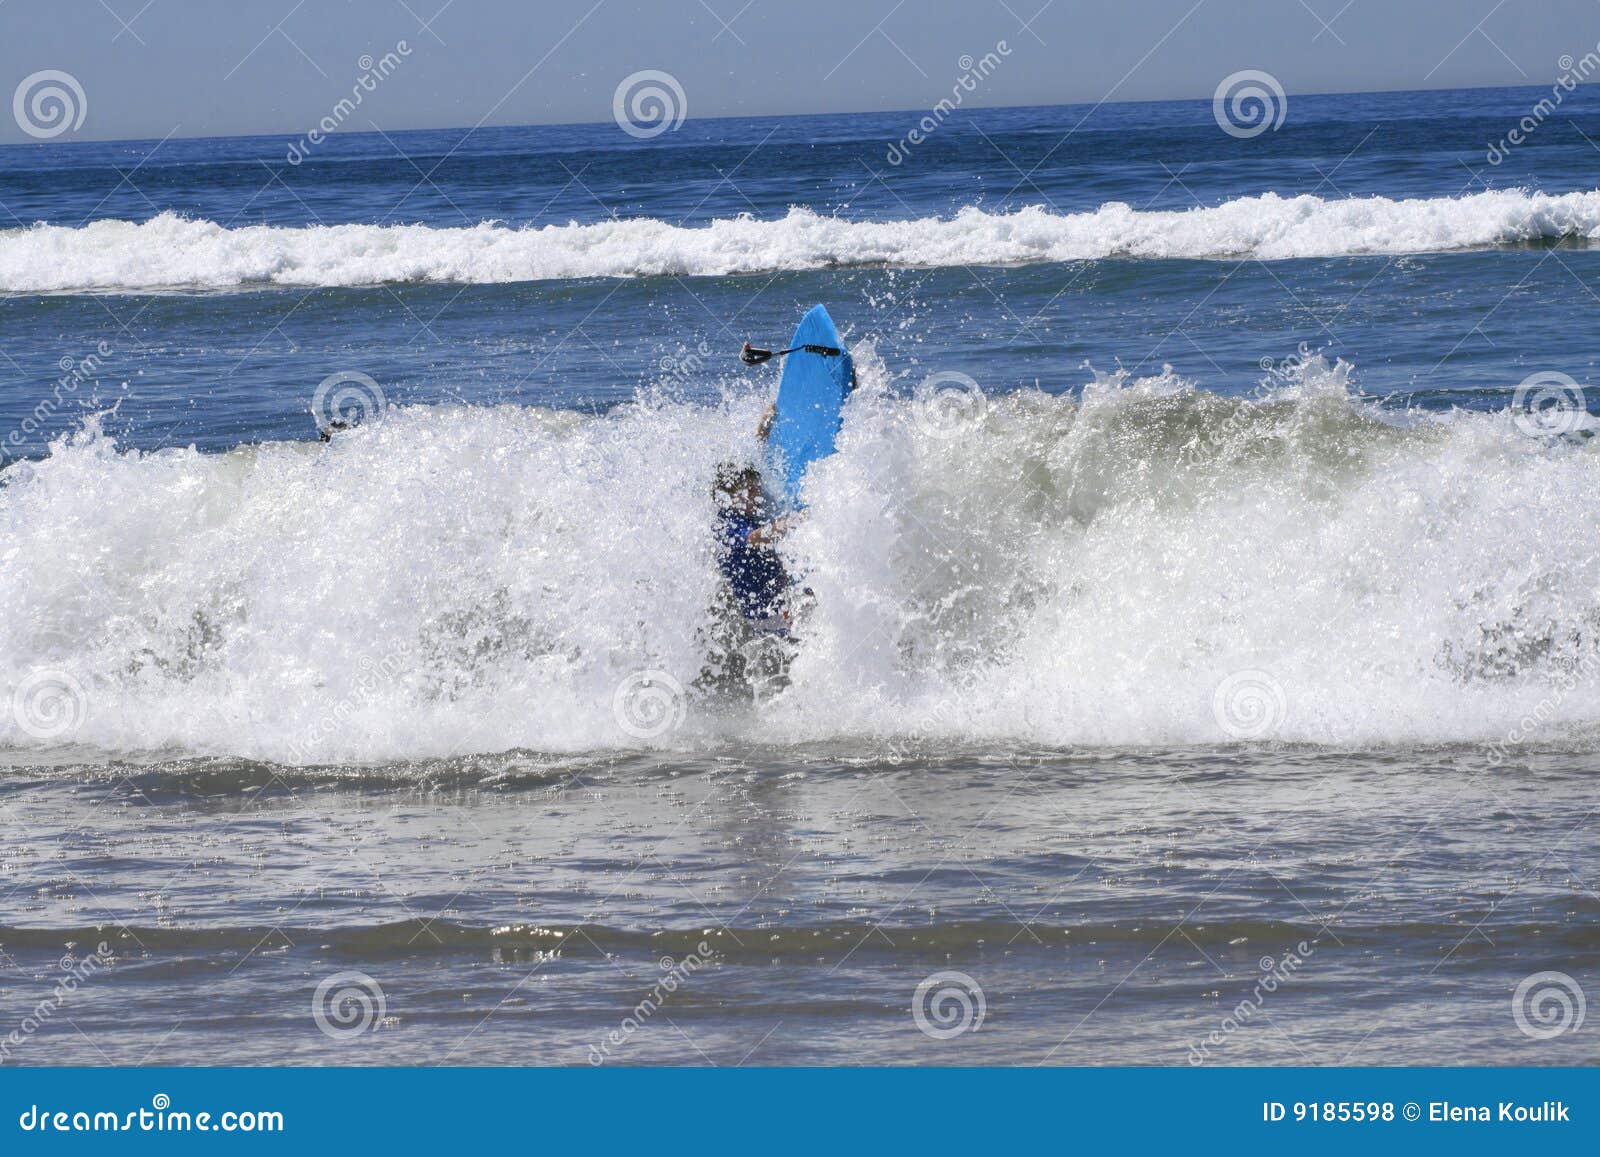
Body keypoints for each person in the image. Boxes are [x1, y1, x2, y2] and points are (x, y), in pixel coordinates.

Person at [695, 462, 796, 700]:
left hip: (779, 606)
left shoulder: (747, 516)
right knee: (783, 667)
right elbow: (753, 538)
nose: (757, 495)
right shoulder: (726, 522)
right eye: (749, 490)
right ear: (727, 495)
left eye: (757, 488)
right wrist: (787, 524)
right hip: (763, 617)